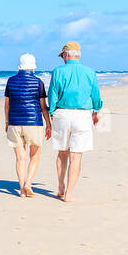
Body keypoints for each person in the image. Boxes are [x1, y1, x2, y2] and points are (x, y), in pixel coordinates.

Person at [47, 41, 102, 203]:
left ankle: (60, 187)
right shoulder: (90, 72)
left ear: (66, 54)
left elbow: (53, 94)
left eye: (62, 56)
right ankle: (69, 194)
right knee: (76, 155)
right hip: (82, 115)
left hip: (62, 114)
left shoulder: (58, 71)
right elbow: (96, 96)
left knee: (62, 153)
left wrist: (51, 112)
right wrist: (96, 112)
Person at [2, 53, 51, 197]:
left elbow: (7, 105)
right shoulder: (38, 82)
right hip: (33, 123)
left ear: (20, 66)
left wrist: (6, 122)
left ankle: (22, 191)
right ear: (33, 66)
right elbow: (43, 106)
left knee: (20, 158)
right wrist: (48, 124)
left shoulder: (10, 81)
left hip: (14, 122)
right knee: (34, 156)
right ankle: (28, 184)